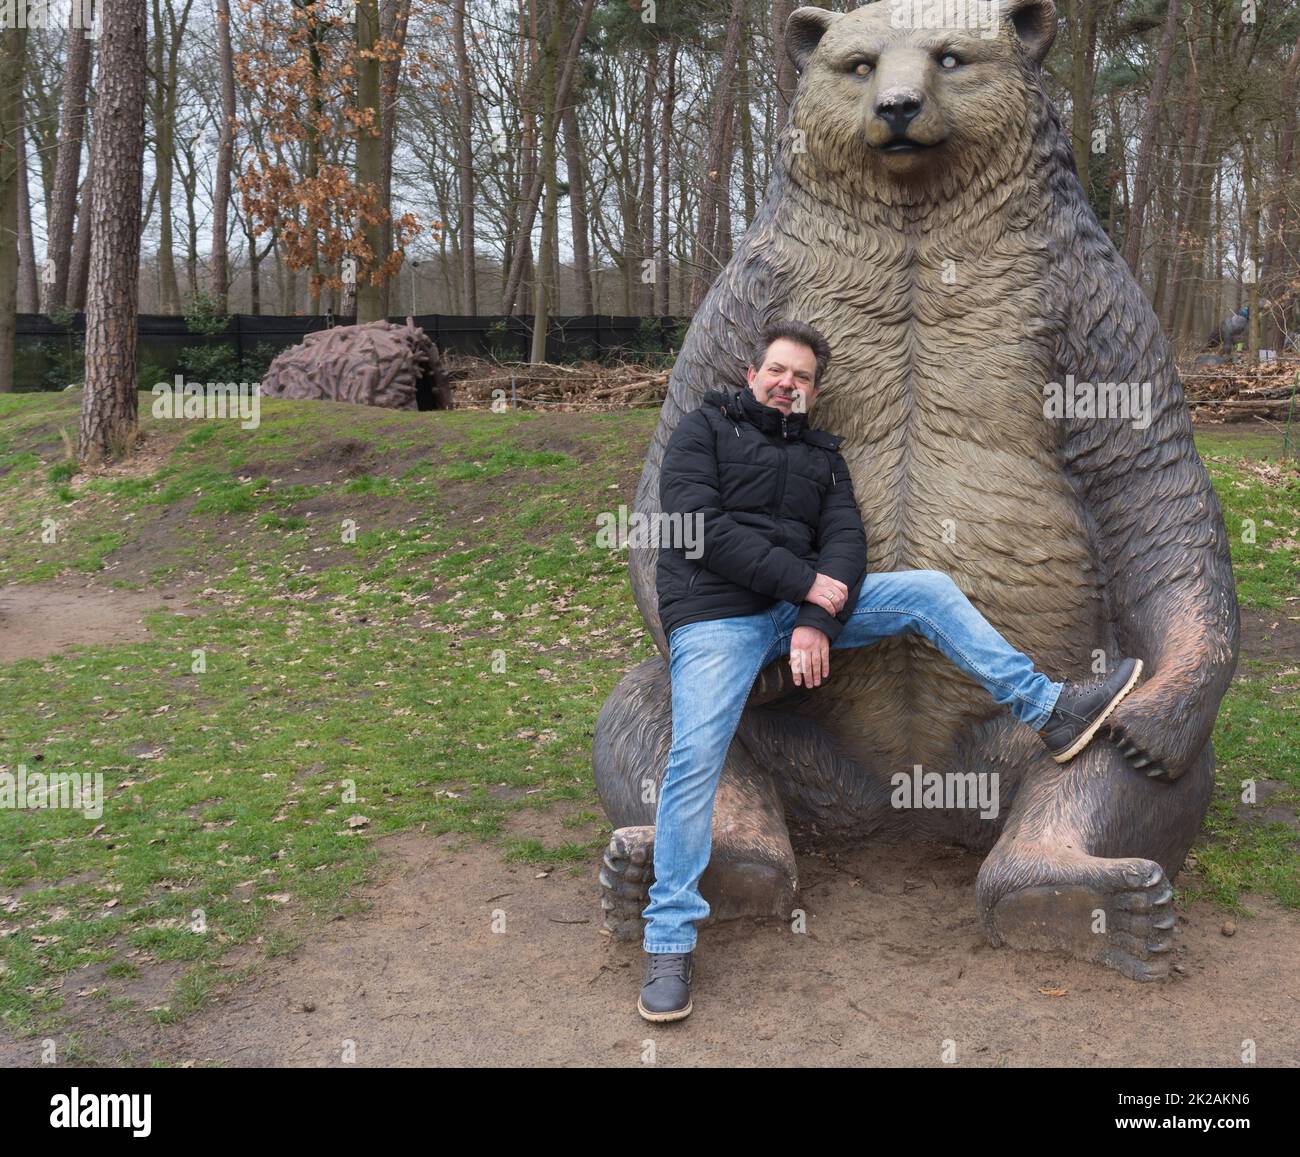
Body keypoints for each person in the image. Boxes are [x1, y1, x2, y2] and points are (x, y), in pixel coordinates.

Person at [637, 319, 1143, 1023]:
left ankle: (1049, 709)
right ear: (753, 374)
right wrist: (806, 587)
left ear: (815, 390)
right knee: (696, 755)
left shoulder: (822, 456)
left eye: (803, 377)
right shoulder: (705, 429)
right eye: (778, 371)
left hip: (798, 610)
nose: (788, 384)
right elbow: (699, 527)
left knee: (927, 590)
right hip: (717, 614)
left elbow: (847, 543)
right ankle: (668, 937)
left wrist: (816, 619)